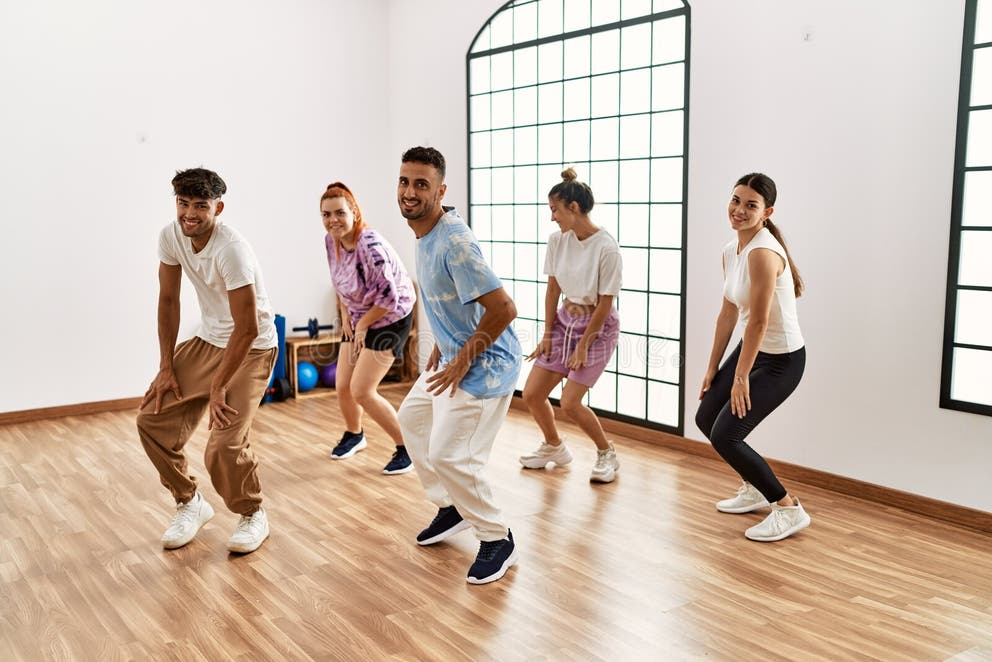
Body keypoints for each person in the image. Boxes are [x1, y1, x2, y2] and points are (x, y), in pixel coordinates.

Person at [394, 146, 522, 585]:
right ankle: (451, 507)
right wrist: (441, 346)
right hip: (453, 356)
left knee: (451, 454)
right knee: (411, 418)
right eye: (405, 181)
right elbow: (443, 297)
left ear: (440, 190)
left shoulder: (453, 241)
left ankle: (496, 537)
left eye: (422, 184)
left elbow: (505, 308)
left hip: (487, 367)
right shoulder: (423, 231)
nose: (410, 192)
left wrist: (461, 355)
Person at [137, 167, 277, 554]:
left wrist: (218, 386)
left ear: (219, 207)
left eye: (201, 206)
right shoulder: (170, 236)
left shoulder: (232, 250)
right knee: (151, 419)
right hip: (209, 339)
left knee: (223, 447)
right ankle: (190, 502)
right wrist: (166, 367)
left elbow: (247, 329)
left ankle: (253, 513)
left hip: (252, 348)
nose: (190, 214)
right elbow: (168, 300)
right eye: (183, 204)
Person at [695, 173, 810, 542]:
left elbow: (759, 322)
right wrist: (714, 367)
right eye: (735, 200)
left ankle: (788, 507)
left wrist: (740, 377)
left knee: (727, 434)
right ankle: (754, 486)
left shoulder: (763, 252)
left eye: (750, 205)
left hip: (782, 360)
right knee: (705, 417)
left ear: (767, 212)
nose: (739, 210)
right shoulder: (732, 250)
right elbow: (728, 313)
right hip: (753, 352)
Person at [519, 168, 623, 483]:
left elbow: (605, 304)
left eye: (555, 210)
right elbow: (553, 290)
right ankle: (554, 446)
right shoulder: (557, 241)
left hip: (597, 327)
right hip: (565, 322)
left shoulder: (607, 248)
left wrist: (582, 346)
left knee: (570, 402)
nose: (552, 217)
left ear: (573, 208)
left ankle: (607, 454)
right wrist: (548, 334)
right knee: (533, 394)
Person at [321, 181, 416, 474]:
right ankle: (355, 434)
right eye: (326, 214)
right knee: (343, 386)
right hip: (360, 315)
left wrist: (362, 323)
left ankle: (408, 448)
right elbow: (339, 284)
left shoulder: (370, 246)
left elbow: (390, 298)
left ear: (354, 212)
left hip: (391, 316)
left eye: (339, 213)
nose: (333, 220)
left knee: (362, 390)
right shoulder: (331, 241)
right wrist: (347, 316)